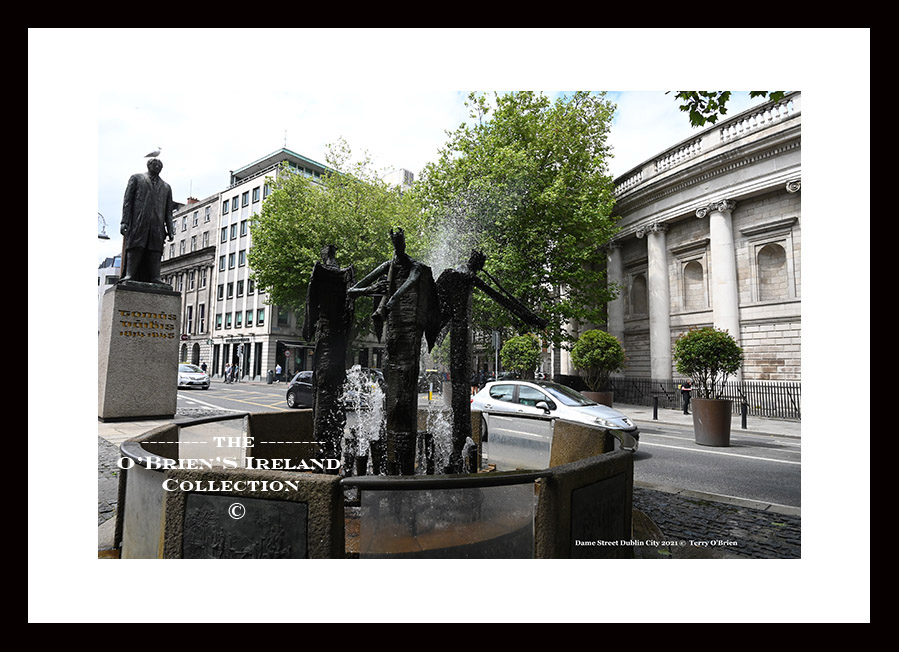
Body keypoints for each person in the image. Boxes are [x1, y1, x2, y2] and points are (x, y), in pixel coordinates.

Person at [120, 158, 175, 284]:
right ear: (148, 165)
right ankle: (130, 275)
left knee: (155, 250)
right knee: (136, 246)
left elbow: (169, 212)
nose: (157, 167)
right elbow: (127, 201)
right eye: (154, 164)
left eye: (159, 165)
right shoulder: (137, 178)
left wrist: (170, 230)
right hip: (139, 221)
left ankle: (155, 277)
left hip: (157, 224)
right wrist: (124, 221)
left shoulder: (166, 187)